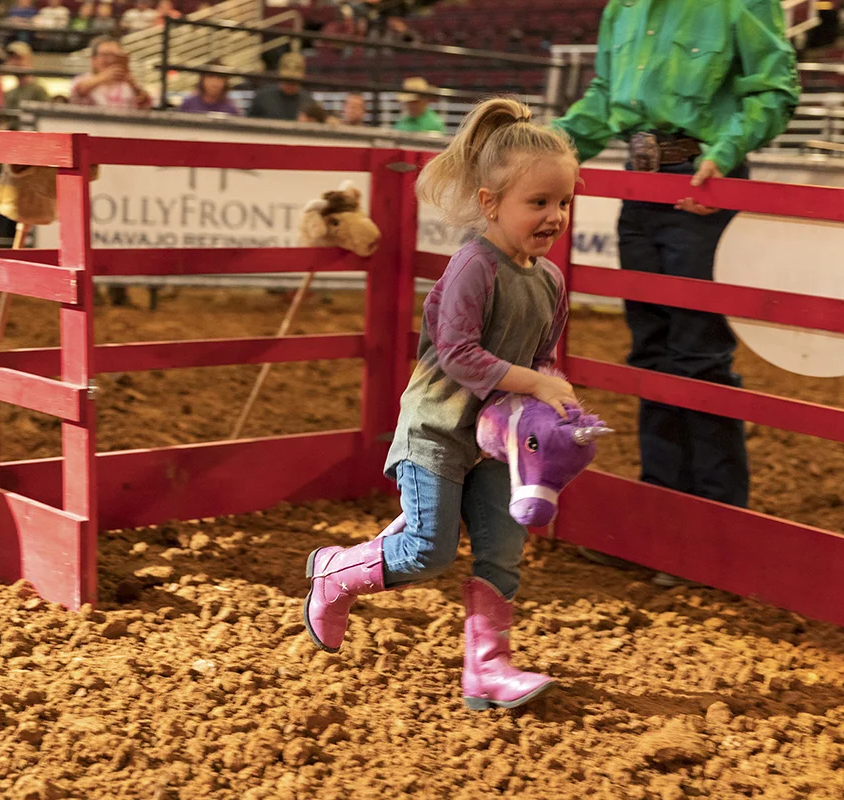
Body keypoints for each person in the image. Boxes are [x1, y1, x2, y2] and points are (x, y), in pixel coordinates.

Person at [303, 99, 576, 711]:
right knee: (425, 551)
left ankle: (487, 670)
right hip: (438, 431)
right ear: (490, 204)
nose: (554, 216)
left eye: (562, 202)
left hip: (498, 440)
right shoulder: (472, 267)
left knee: (503, 550)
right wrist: (534, 385)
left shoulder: (551, 281)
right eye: (539, 203)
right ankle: (334, 573)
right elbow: (458, 355)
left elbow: (543, 359)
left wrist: (549, 407)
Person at [552, 0, 800, 581]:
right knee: (652, 352)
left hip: (703, 188)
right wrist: (546, 146)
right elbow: (604, 100)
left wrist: (725, 152)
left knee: (697, 356)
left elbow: (775, 89)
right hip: (640, 189)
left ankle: (716, 530)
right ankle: (657, 519)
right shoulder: (624, 9)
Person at [70, 35, 152, 109]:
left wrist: (133, 84)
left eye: (114, 55)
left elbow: (145, 105)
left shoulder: (128, 85)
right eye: (105, 55)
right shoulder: (83, 80)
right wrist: (104, 77)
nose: (110, 60)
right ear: (94, 59)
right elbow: (78, 91)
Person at [247, 52, 313, 120]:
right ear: (279, 72)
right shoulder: (262, 97)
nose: (290, 84)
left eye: (293, 81)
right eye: (287, 80)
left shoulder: (308, 102)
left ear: (303, 75)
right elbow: (247, 125)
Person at [2, 42, 51, 110]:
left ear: (29, 60)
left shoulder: (38, 90)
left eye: (18, 58)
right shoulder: (11, 92)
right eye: (11, 58)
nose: (14, 62)